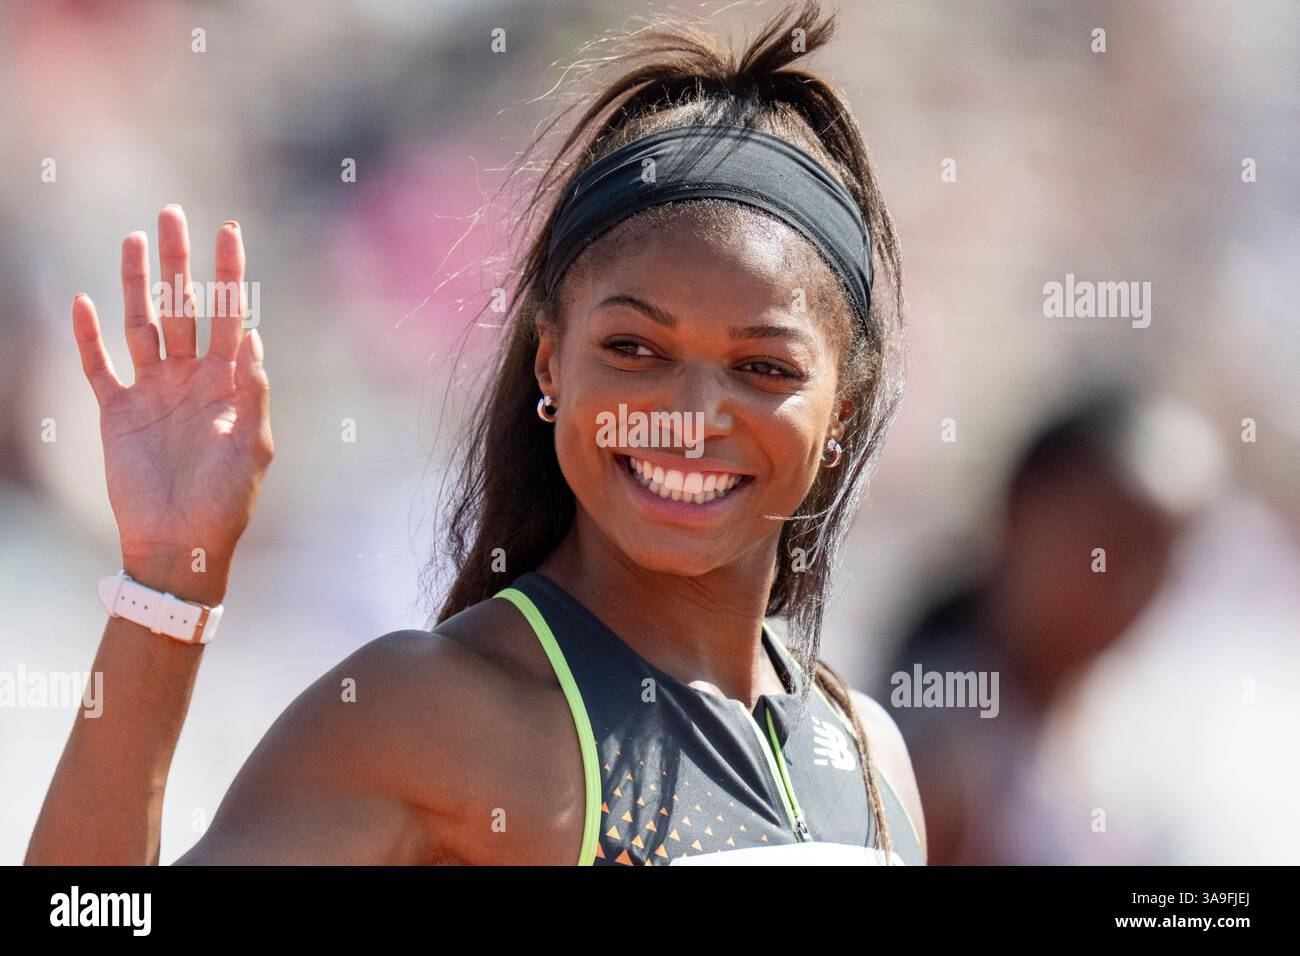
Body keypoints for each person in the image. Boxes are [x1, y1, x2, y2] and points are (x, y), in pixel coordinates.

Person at [27, 0, 926, 866]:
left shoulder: (870, 756)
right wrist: (167, 581)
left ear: (839, 411)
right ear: (550, 366)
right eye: (634, 348)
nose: (690, 416)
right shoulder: (433, 715)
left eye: (764, 367)